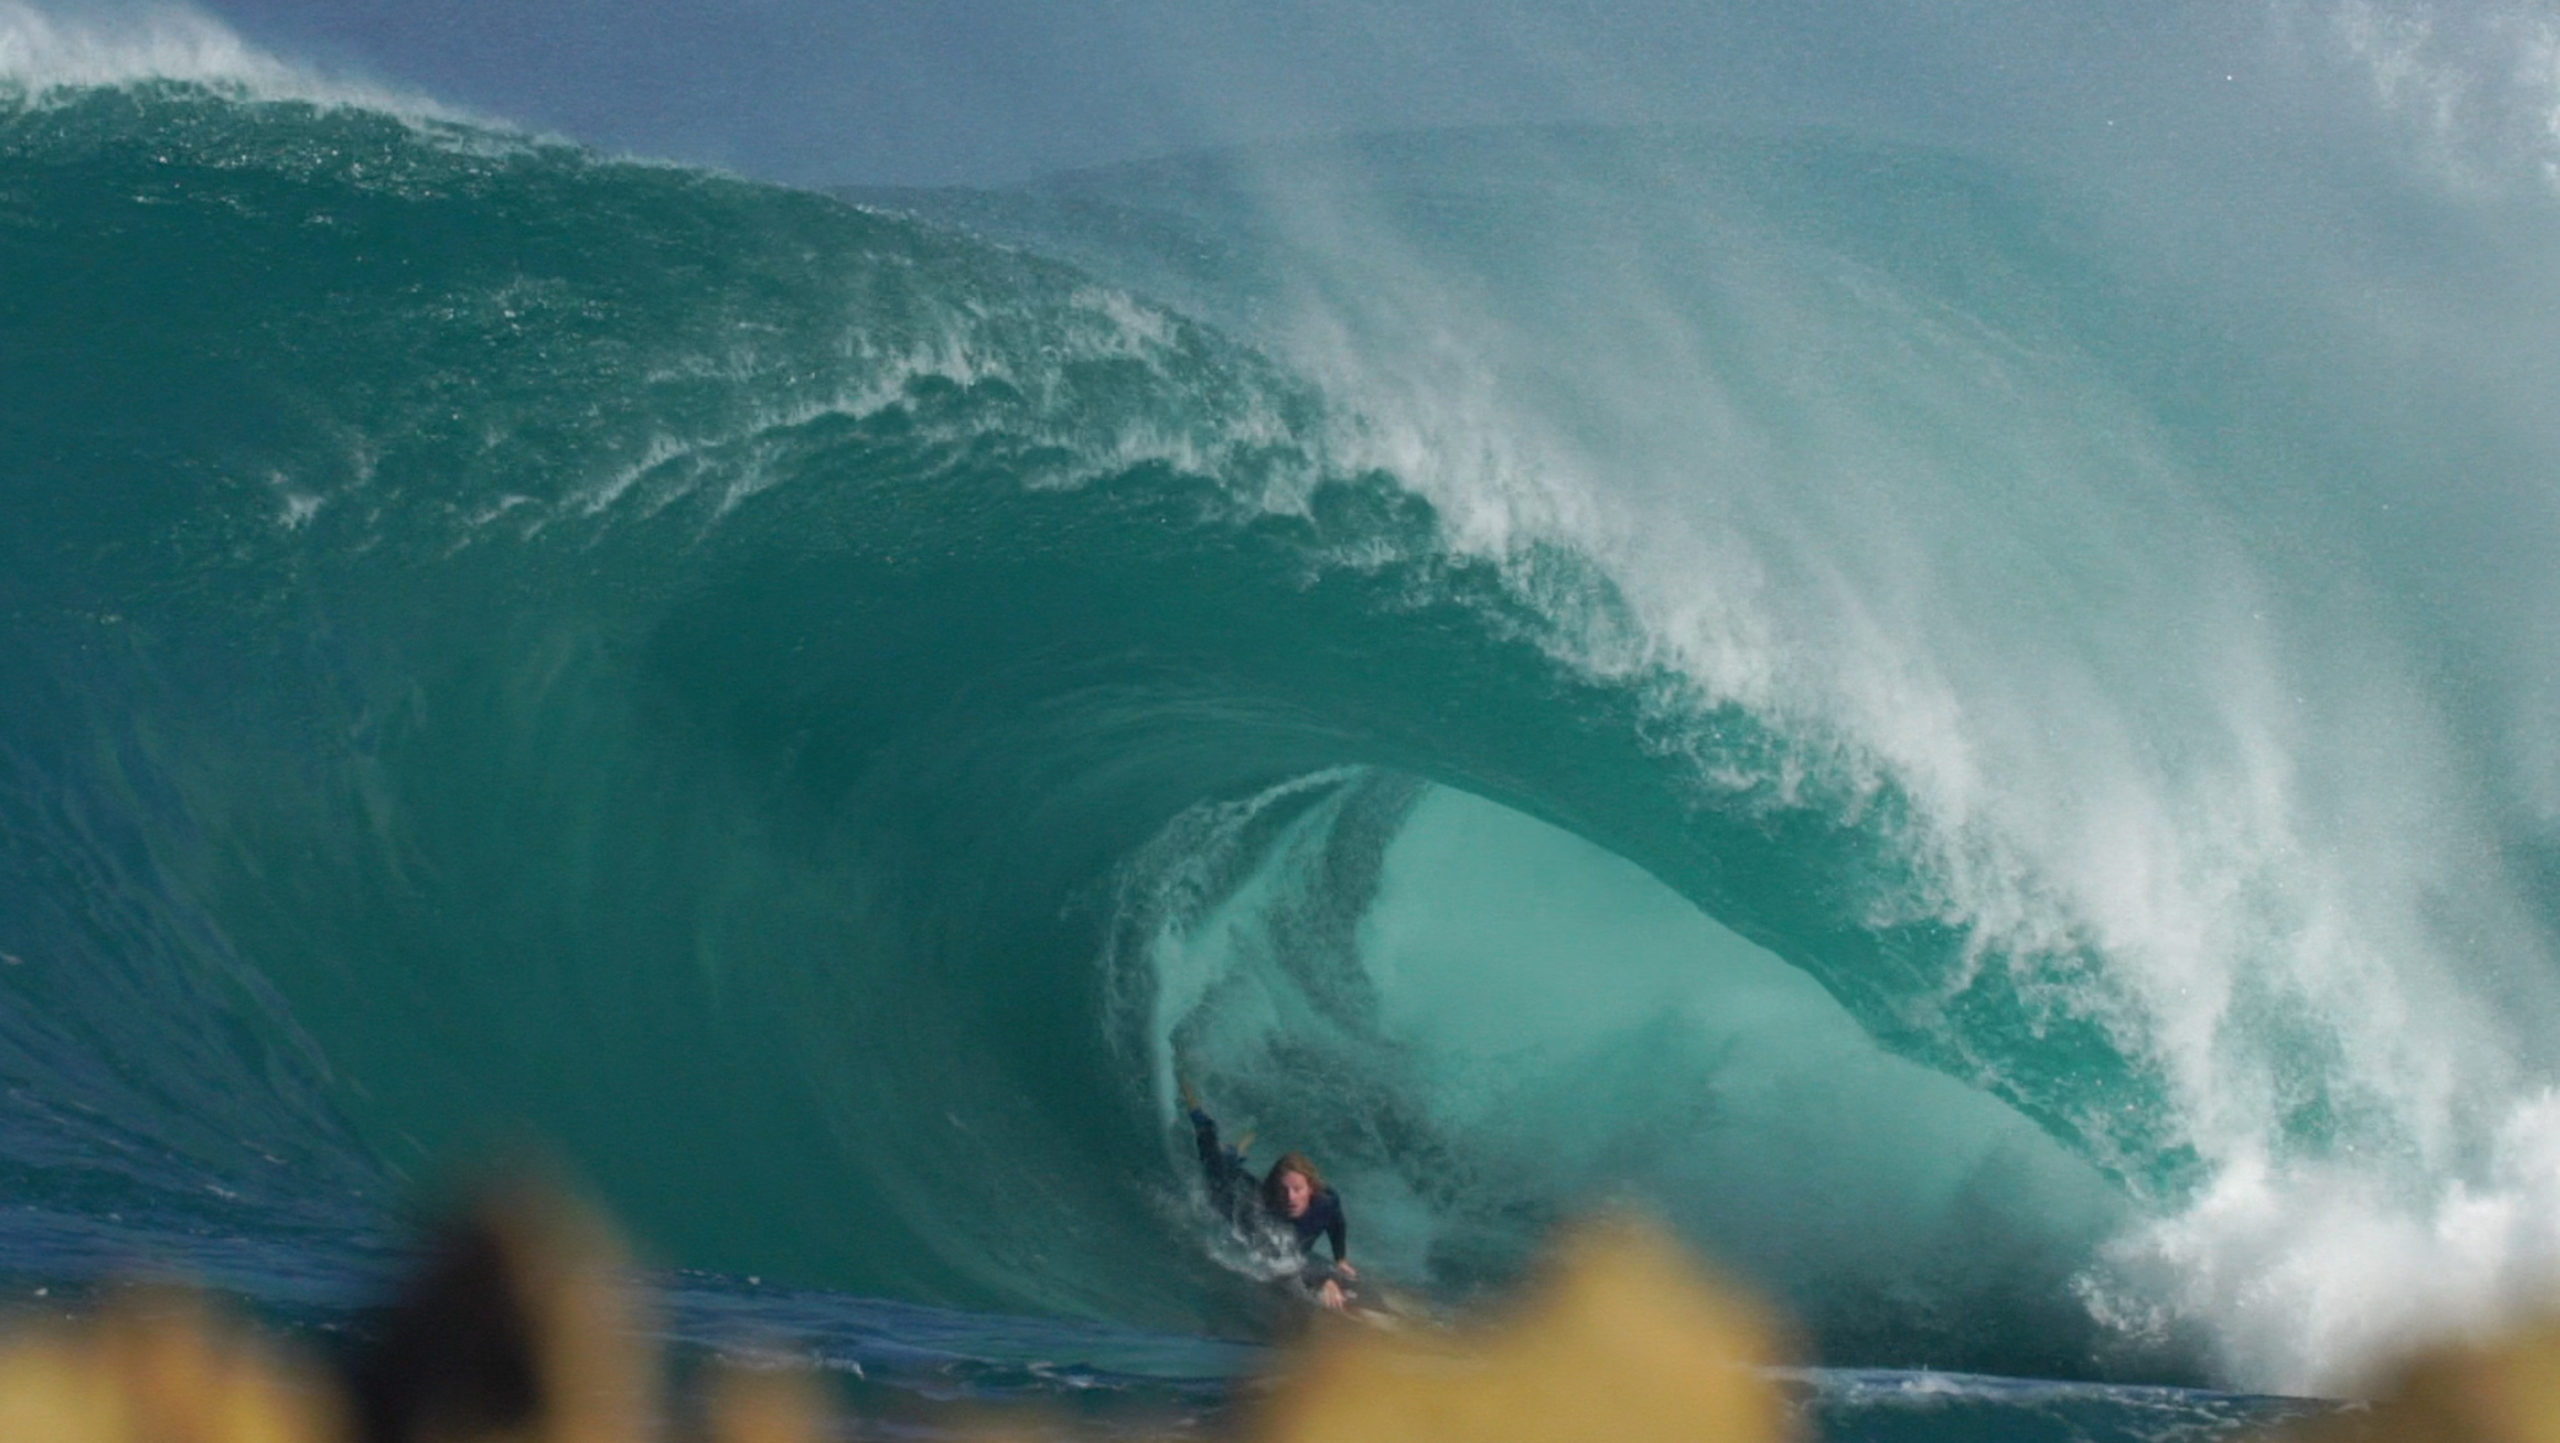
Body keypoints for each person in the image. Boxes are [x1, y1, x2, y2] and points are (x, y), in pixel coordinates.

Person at [1185, 1089, 1359, 1311]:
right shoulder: (1262, 1216)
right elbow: (1282, 1265)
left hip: (1255, 1192)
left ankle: (1235, 1152)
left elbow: (1337, 1224)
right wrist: (1325, 1280)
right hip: (1226, 1196)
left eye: (1297, 1189)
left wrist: (1340, 1259)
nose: (1290, 1197)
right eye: (1283, 1190)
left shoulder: (1327, 1202)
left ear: (1311, 1189)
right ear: (1274, 1191)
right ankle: (1198, 1113)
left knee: (1231, 1161)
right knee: (1215, 1162)